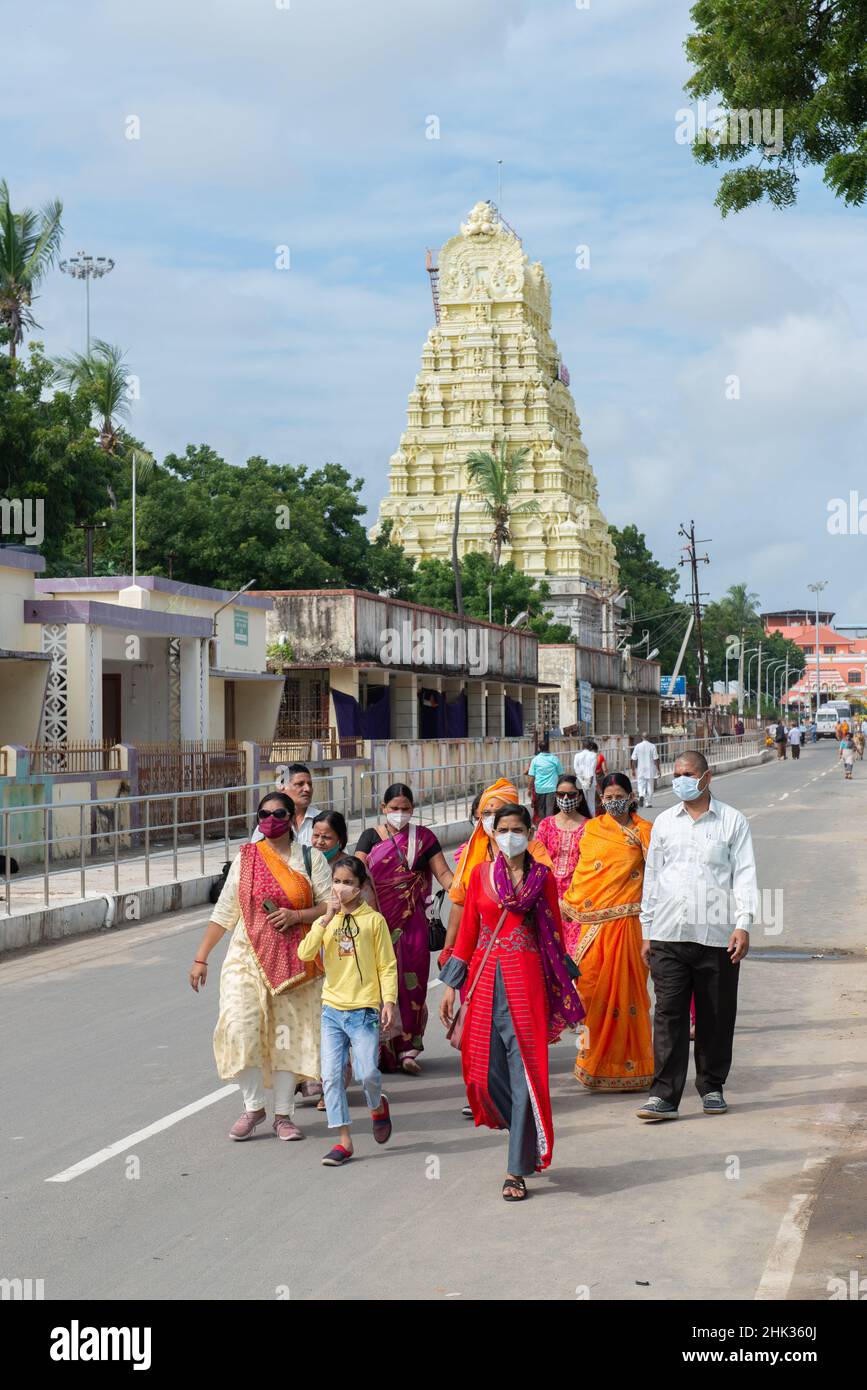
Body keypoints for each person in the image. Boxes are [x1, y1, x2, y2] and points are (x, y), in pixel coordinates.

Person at [438, 804, 584, 1201]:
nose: (509, 835)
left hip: (526, 984)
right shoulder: (479, 875)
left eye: (517, 828)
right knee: (481, 1076)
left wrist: (565, 987)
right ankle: (523, 1126)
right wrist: (451, 986)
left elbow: (554, 935)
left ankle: (515, 1169)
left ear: (529, 832)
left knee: (526, 1079)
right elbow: (466, 936)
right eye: (502, 828)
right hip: (485, 983)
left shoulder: (543, 879)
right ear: (492, 832)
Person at [189, 791, 331, 1141]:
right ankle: (253, 1106)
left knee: (287, 1037)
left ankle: (283, 1115)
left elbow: (330, 906)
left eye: (278, 813)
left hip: (294, 961)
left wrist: (298, 915)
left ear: (290, 817)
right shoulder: (247, 859)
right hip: (246, 957)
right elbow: (225, 912)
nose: (270, 818)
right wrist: (200, 957)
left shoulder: (310, 859)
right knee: (240, 1027)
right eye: (263, 814)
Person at [636, 751, 757, 1122]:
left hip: (717, 935)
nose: (680, 780)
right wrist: (647, 929)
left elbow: (745, 874)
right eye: (676, 774)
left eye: (687, 773)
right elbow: (653, 878)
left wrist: (744, 923)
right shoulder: (664, 824)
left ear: (706, 777)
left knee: (715, 1016)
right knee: (669, 1014)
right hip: (669, 933)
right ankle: (664, 1096)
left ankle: (712, 1086)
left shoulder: (732, 822)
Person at [298, 855, 398, 1166]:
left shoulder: (374, 922)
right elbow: (305, 952)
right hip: (331, 1010)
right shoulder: (327, 921)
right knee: (330, 1077)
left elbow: (387, 965)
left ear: (361, 887)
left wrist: (389, 1002)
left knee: (367, 1072)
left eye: (348, 883)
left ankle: (377, 1105)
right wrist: (326, 918)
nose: (341, 888)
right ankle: (344, 1141)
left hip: (364, 1011)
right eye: (337, 881)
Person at [561, 773, 654, 1091]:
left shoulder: (645, 832)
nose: (613, 802)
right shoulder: (593, 830)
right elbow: (584, 873)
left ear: (631, 796)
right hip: (594, 928)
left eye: (619, 796)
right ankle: (590, 1062)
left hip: (630, 925)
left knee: (629, 998)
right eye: (608, 797)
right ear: (600, 799)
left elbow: (656, 881)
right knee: (588, 992)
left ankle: (630, 1069)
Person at [354, 783, 453, 1074]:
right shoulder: (370, 837)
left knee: (413, 984)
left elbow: (444, 874)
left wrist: (469, 895)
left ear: (413, 809)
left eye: (405, 809)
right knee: (379, 986)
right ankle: (382, 1050)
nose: (399, 813)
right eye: (394, 808)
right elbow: (356, 875)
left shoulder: (424, 838)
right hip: (376, 922)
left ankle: (409, 1049)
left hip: (413, 925)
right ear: (383, 808)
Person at [534, 776, 591, 943]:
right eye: (561, 794)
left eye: (571, 795)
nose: (566, 799)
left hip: (577, 899)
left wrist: (572, 898)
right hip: (547, 894)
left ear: (579, 797)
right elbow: (538, 862)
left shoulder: (590, 826)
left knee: (574, 951)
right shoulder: (545, 825)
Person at [252, 763, 321, 847]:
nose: (307, 789)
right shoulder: (269, 821)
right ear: (283, 788)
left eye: (310, 784)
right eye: (300, 784)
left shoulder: (322, 819)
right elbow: (254, 853)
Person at [526, 738, 563, 822]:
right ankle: (549, 827)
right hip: (552, 788)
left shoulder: (535, 760)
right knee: (550, 809)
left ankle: (543, 826)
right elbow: (561, 774)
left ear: (539, 748)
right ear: (548, 747)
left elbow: (531, 776)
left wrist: (529, 789)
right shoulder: (554, 759)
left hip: (539, 788)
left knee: (540, 810)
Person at [630, 732, 660, 808]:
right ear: (649, 737)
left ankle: (641, 795)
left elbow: (633, 759)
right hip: (650, 769)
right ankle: (648, 803)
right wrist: (658, 769)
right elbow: (656, 759)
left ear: (641, 737)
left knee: (640, 784)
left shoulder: (637, 746)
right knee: (650, 786)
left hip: (640, 769)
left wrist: (633, 770)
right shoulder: (652, 746)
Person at [573, 739, 599, 816]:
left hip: (580, 781)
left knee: (582, 801)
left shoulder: (577, 755)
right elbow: (592, 769)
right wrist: (589, 781)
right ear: (590, 746)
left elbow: (575, 769)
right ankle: (592, 819)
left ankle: (583, 819)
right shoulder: (593, 755)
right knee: (591, 802)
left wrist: (582, 779)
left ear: (582, 746)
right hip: (591, 781)